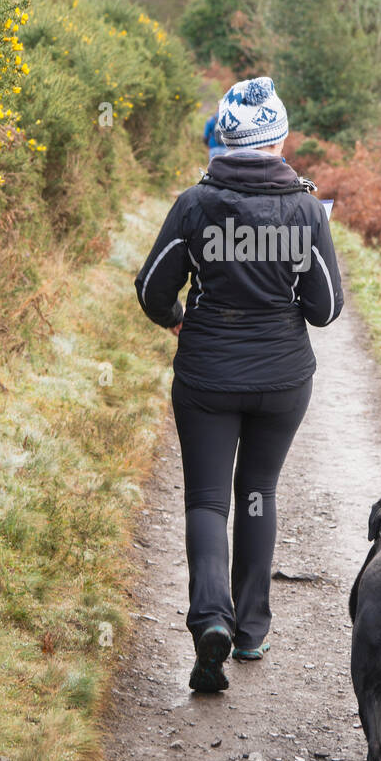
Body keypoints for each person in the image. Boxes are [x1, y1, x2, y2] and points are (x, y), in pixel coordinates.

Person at [135, 76, 344, 692]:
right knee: (259, 491)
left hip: (206, 376)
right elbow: (325, 310)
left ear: (223, 141)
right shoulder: (305, 209)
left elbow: (152, 291)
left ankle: (210, 622)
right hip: (282, 380)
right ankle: (250, 631)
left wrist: (180, 318)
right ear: (278, 141)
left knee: (206, 500)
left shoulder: (194, 206)